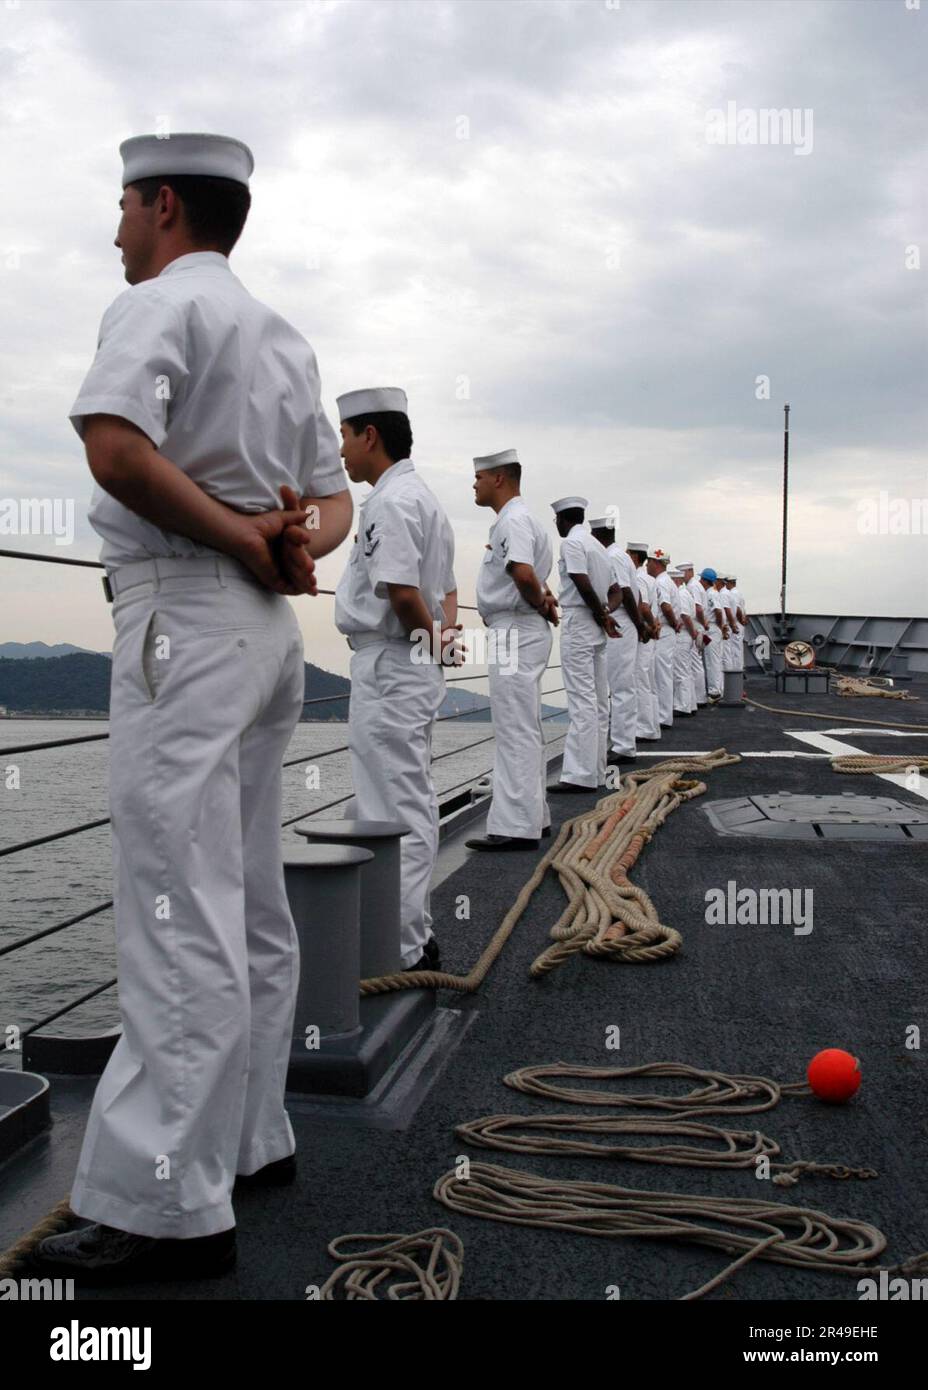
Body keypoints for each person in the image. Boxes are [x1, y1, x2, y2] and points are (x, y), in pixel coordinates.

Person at [34, 132, 353, 1283]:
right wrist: (285, 544)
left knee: (176, 909)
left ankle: (165, 1207)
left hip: (181, 617)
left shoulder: (159, 307)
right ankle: (250, 1138)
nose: (115, 228)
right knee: (249, 896)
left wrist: (231, 534)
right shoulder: (279, 332)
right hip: (269, 638)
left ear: (164, 205)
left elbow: (116, 451)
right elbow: (334, 500)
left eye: (122, 205)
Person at [334, 387, 458, 970]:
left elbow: (404, 595)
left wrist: (431, 645)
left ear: (370, 436)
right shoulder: (423, 499)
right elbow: (443, 591)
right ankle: (408, 932)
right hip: (406, 662)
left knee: (394, 807)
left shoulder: (389, 503)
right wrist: (440, 645)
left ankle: (404, 950)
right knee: (400, 798)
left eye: (344, 435)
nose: (340, 450)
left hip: (389, 661)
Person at [465, 449, 558, 851]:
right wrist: (543, 599)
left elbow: (521, 573)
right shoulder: (523, 520)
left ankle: (516, 827)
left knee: (514, 729)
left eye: (480, 477)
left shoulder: (513, 521)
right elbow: (531, 575)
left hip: (515, 630)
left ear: (499, 478)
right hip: (520, 627)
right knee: (525, 725)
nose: (475, 484)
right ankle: (533, 817)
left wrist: (537, 601)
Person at [549, 497, 617, 793]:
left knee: (582, 700)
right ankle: (597, 771)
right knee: (600, 701)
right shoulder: (599, 548)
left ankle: (579, 775)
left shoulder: (572, 544)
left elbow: (579, 579)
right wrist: (606, 613)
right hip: (597, 624)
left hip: (580, 619)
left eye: (556, 521)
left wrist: (600, 613)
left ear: (563, 519)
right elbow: (616, 590)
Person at [590, 517, 643, 766]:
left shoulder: (612, 557)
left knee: (620, 686)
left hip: (621, 624)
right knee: (622, 685)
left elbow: (625, 593)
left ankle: (623, 746)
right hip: (624, 624)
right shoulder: (619, 556)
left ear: (598, 535)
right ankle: (622, 742)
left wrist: (639, 624)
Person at [628, 542, 660, 742]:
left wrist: (649, 626)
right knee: (648, 680)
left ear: (635, 558)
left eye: (628, 553)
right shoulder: (649, 579)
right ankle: (652, 725)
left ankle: (644, 728)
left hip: (643, 636)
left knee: (640, 679)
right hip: (651, 634)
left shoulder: (638, 579)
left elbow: (644, 607)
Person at [648, 548, 677, 728]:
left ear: (656, 562)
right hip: (667, 630)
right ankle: (663, 714)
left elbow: (665, 606)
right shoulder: (668, 581)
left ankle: (663, 716)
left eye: (649, 561)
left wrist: (673, 623)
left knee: (661, 674)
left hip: (664, 630)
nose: (646, 565)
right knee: (663, 673)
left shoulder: (661, 582)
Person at [670, 567, 697, 715]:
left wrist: (693, 634)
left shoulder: (680, 594)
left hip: (682, 635)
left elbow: (685, 616)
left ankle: (682, 705)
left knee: (680, 671)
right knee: (686, 670)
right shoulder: (685, 593)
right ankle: (690, 704)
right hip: (686, 635)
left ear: (676, 580)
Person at [681, 562, 709, 706]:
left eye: (682, 573)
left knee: (695, 663)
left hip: (695, 626)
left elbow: (698, 609)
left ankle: (699, 698)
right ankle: (697, 697)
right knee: (695, 662)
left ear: (689, 571)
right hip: (697, 626)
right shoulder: (696, 586)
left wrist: (703, 624)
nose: (681, 576)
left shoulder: (692, 586)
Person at [700, 567, 725, 701]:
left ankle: (714, 691)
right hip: (713, 630)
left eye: (701, 579)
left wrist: (720, 626)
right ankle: (718, 688)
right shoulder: (713, 593)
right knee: (714, 660)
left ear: (705, 580)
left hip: (712, 630)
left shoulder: (711, 594)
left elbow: (718, 612)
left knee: (712, 661)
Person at [728, 575, 747, 671]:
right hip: (740, 624)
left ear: (730, 583)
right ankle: (739, 668)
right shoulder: (739, 593)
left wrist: (740, 621)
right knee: (738, 647)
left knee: (734, 649)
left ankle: (736, 670)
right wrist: (744, 620)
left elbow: (737, 609)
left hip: (736, 623)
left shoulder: (732, 593)